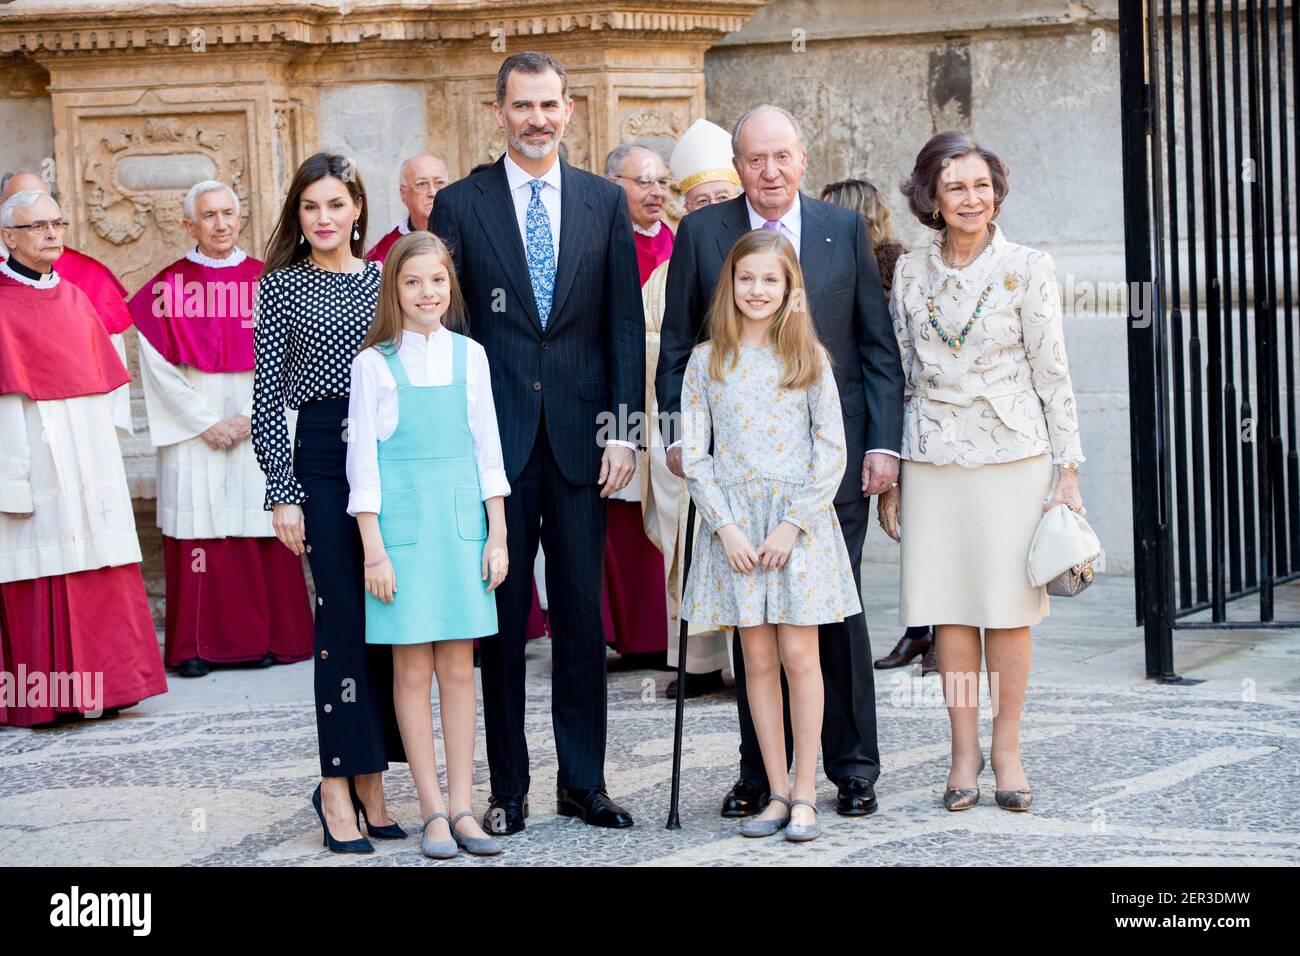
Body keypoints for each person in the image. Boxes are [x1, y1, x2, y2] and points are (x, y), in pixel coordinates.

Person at [657, 104, 904, 820]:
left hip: (828, 471)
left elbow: (875, 344)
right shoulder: (703, 232)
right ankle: (762, 775)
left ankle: (850, 767)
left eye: (782, 156)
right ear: (737, 166)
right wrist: (680, 438)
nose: (770, 171)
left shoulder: (842, 228)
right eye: (755, 159)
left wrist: (881, 445)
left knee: (834, 623)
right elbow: (678, 345)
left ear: (803, 159)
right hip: (734, 478)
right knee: (755, 634)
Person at [431, 51, 644, 834]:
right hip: (496, 448)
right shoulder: (460, 205)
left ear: (569, 110)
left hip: (585, 444)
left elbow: (624, 324)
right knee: (503, 619)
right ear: (499, 112)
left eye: (549, 105)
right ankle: (509, 788)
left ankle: (584, 782)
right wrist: (458, 445)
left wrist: (625, 433)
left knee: (582, 616)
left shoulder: (603, 201)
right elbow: (449, 332)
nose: (537, 120)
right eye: (523, 106)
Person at [876, 132, 1085, 813]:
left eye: (982, 186)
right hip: (932, 459)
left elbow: (1052, 373)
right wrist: (894, 472)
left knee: (1008, 613)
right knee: (951, 615)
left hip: (1012, 459)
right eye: (957, 187)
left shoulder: (1028, 266)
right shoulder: (910, 272)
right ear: (931, 198)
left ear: (997, 193)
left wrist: (1067, 473)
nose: (973, 199)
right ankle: (962, 753)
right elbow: (900, 374)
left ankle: (1007, 750)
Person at [680, 228, 860, 843]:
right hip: (735, 528)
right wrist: (725, 527)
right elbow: (695, 455)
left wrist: (792, 523)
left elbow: (831, 451)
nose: (757, 290)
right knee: (755, 660)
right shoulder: (707, 361)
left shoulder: (807, 360)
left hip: (796, 528)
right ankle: (777, 791)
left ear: (790, 289)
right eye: (746, 278)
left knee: (800, 657)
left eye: (770, 280)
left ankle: (807, 790)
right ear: (730, 284)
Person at [252, 152, 406, 854]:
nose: (323, 218)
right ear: (298, 215)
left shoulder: (383, 280)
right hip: (320, 457)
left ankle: (373, 776)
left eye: (336, 205)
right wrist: (283, 492)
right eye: (310, 207)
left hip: (386, 456)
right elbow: (265, 399)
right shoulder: (281, 286)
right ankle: (336, 784)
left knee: (387, 620)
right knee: (341, 620)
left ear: (358, 210)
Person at [347, 231, 509, 858]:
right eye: (412, 282)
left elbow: (488, 452)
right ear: (394, 289)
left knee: (459, 670)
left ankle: (464, 807)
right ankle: (432, 810)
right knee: (412, 670)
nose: (426, 293)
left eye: (437, 280)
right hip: (402, 537)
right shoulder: (374, 364)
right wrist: (374, 551)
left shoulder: (472, 356)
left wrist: (497, 535)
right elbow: (363, 467)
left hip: (462, 529)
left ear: (451, 286)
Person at [129, 180, 313, 677]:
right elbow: (156, 369)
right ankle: (197, 646)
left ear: (240, 217)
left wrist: (256, 417)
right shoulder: (168, 288)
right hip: (195, 434)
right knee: (200, 536)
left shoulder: (271, 280)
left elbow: (296, 357)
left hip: (260, 424)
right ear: (189, 225)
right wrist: (204, 422)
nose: (221, 224)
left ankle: (274, 638)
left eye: (228, 213)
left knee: (262, 524)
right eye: (209, 215)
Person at [0, 189, 166, 726]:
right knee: (44, 562)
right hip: (35, 454)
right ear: (8, 238)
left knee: (99, 559)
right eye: (37, 226)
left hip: (89, 455)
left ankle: (110, 686)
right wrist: (11, 481)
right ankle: (48, 698)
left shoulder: (74, 297)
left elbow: (102, 389)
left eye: (57, 223)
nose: (52, 233)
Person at [819, 177, 936, 676]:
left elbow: (891, 351)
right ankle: (920, 631)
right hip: (871, 414)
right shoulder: (833, 263)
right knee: (914, 532)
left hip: (903, 412)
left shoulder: (892, 268)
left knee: (926, 531)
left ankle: (934, 633)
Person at [644, 118, 742, 699]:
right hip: (693, 427)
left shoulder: (764, 262)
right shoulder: (664, 276)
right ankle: (699, 661)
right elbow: (660, 355)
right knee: (694, 538)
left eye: (722, 197)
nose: (711, 209)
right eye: (700, 200)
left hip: (754, 430)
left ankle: (757, 658)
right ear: (684, 208)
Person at [602, 142, 674, 669]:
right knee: (620, 518)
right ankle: (623, 633)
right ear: (613, 185)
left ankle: (662, 637)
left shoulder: (681, 243)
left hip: (668, 406)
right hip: (618, 404)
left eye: (662, 182)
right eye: (642, 181)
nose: (655, 192)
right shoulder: (602, 243)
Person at [1, 172, 134, 434]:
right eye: (23, 202)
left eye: (54, 221)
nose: (50, 233)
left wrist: (108, 427)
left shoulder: (87, 278)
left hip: (85, 421)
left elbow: (110, 358)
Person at [363, 155, 449, 263]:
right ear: (403, 193)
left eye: (439, 183)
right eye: (421, 184)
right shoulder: (385, 253)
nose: (432, 192)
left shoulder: (465, 233)